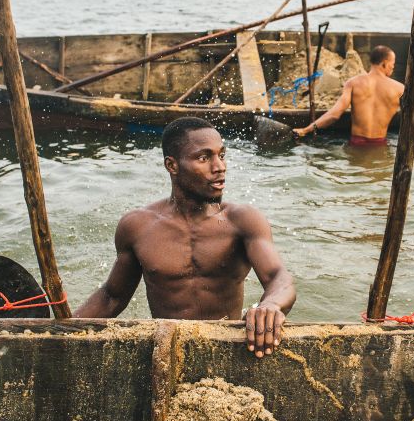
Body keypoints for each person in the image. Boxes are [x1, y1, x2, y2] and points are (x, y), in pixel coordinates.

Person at [74, 117, 296, 358]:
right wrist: (62, 330)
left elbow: (279, 278)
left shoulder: (242, 220)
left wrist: (271, 306)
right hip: (166, 351)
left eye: (221, 155)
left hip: (227, 350)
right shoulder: (138, 226)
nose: (219, 167)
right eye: (204, 158)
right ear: (172, 165)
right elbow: (112, 297)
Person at [293, 45, 414, 146]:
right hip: (379, 145)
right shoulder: (399, 88)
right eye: (392, 65)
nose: (393, 68)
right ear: (385, 63)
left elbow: (334, 115)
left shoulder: (353, 83)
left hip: (355, 144)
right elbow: (413, 123)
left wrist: (306, 130)